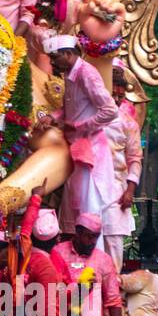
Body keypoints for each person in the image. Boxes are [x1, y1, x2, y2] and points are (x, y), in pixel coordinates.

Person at [47, 35, 119, 235]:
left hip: (91, 152)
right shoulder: (70, 73)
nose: (52, 63)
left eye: (55, 58)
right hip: (75, 149)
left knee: (88, 214)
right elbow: (67, 109)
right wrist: (50, 117)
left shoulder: (86, 73)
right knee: (74, 209)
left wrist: (79, 126)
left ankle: (93, 260)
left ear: (68, 54)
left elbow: (110, 110)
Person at [100, 68, 142, 269]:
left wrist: (130, 190)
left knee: (113, 245)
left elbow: (135, 158)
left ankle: (112, 292)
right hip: (87, 185)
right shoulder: (85, 115)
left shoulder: (128, 124)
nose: (116, 99)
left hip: (117, 189)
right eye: (112, 94)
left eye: (121, 96)